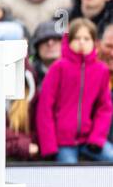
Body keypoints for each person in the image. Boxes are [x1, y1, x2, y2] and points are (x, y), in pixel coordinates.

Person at [36, 20, 113, 163]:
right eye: (77, 38)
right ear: (69, 41)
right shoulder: (58, 68)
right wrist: (49, 146)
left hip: (89, 139)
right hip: (63, 142)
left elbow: (104, 108)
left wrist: (97, 138)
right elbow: (45, 108)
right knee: (69, 170)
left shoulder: (101, 70)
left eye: (86, 39)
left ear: (94, 43)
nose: (82, 42)